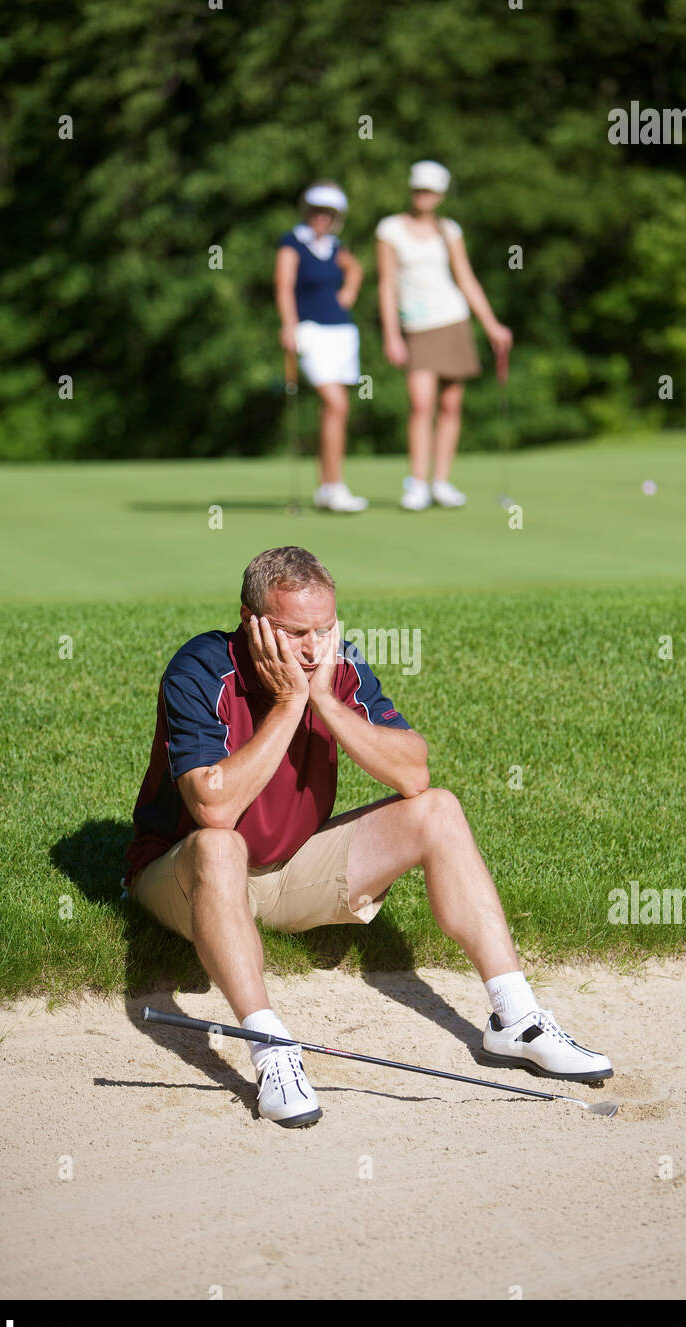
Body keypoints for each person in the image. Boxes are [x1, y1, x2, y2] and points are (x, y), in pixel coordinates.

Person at [125, 546, 612, 1128]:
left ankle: (515, 1019)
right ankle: (271, 1048)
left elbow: (413, 772)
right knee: (219, 845)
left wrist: (325, 698)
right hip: (188, 876)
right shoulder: (201, 667)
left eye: (324, 630)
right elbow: (214, 807)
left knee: (437, 810)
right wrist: (289, 705)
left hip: (290, 870)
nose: (311, 648)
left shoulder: (338, 665)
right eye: (294, 632)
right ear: (251, 620)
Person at [376, 160, 513, 510]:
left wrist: (491, 324)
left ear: (439, 195)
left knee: (450, 405)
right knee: (422, 405)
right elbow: (387, 283)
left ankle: (441, 482)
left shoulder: (449, 230)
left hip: (453, 319)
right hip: (417, 326)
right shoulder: (390, 229)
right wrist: (392, 334)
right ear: (412, 190)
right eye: (419, 189)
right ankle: (417, 484)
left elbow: (465, 279)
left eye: (431, 190)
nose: (424, 195)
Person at [275, 181, 368, 512]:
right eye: (317, 212)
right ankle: (333, 486)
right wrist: (288, 325)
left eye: (328, 214)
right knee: (337, 404)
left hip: (342, 332)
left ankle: (327, 487)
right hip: (310, 332)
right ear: (307, 211)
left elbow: (355, 267)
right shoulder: (292, 243)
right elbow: (284, 287)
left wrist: (350, 291)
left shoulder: (334, 245)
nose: (321, 219)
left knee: (334, 410)